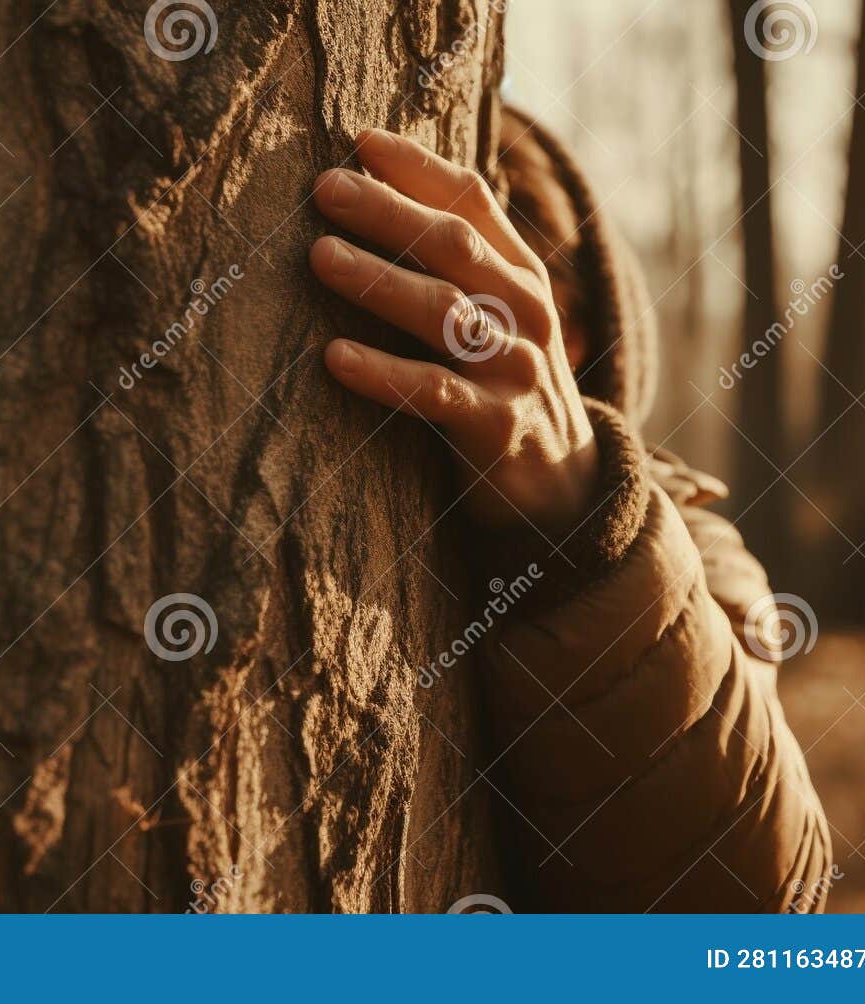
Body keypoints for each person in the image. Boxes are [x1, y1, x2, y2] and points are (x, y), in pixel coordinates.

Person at [306, 110, 833, 912]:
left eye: (506, 276)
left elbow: (754, 901)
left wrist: (581, 522)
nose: (429, 303)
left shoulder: (691, 546)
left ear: (572, 335)